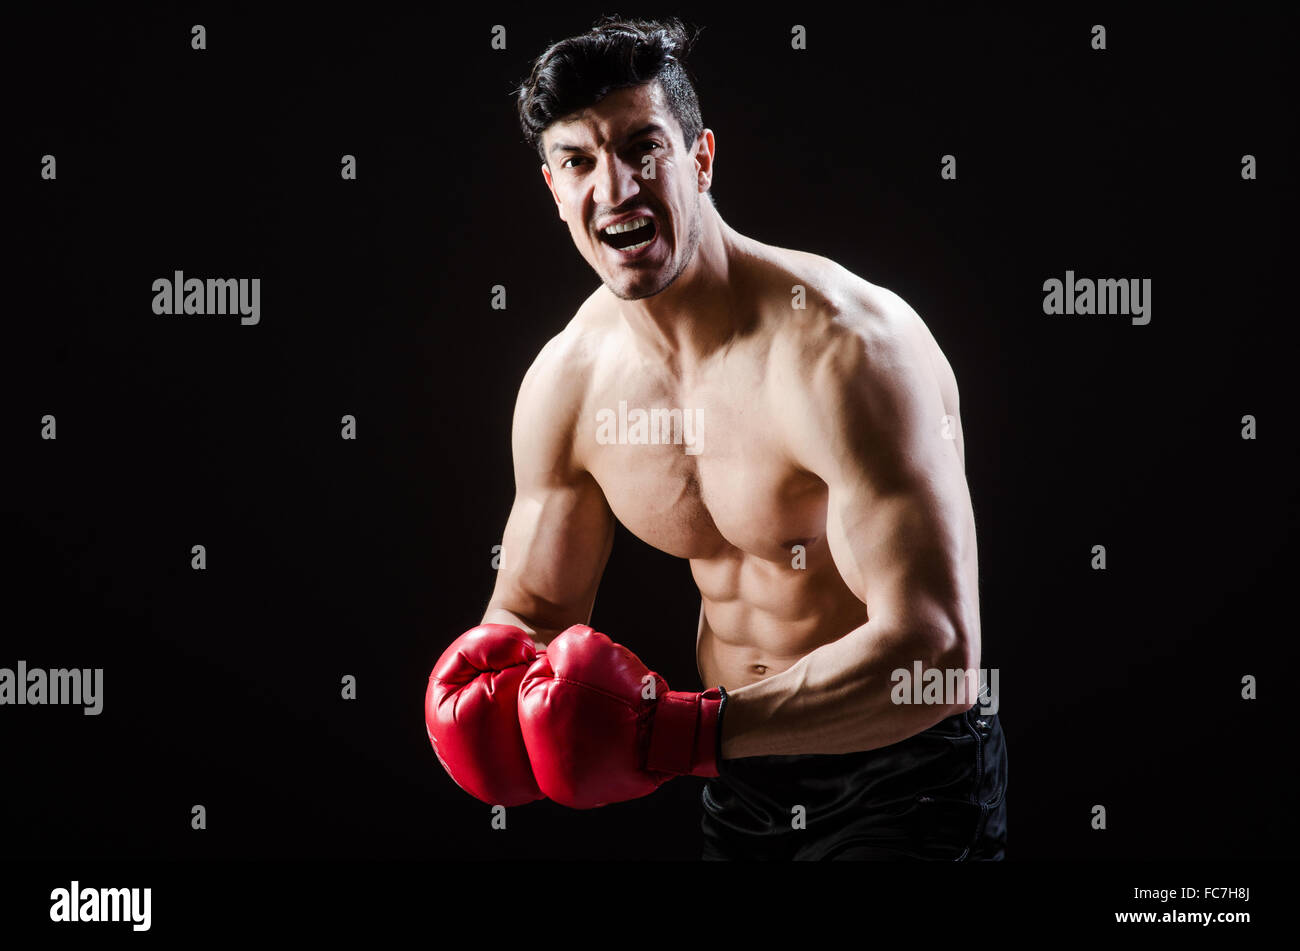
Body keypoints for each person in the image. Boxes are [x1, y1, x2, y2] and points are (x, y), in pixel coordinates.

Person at [425, 16, 1006, 861]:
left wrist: (687, 734)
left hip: (903, 770)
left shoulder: (847, 352)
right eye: (579, 162)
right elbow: (536, 611)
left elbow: (940, 655)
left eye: (641, 148)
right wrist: (496, 695)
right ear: (553, 190)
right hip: (735, 776)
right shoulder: (570, 383)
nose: (615, 189)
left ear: (700, 158)